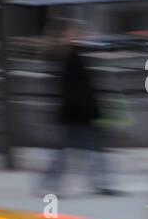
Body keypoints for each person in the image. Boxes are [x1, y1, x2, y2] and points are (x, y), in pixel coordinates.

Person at [39, 23, 120, 196]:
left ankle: (51, 184)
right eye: (73, 33)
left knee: (81, 149)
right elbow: (79, 89)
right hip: (77, 112)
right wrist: (91, 110)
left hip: (75, 111)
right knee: (80, 150)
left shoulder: (71, 57)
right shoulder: (70, 58)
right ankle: (51, 184)